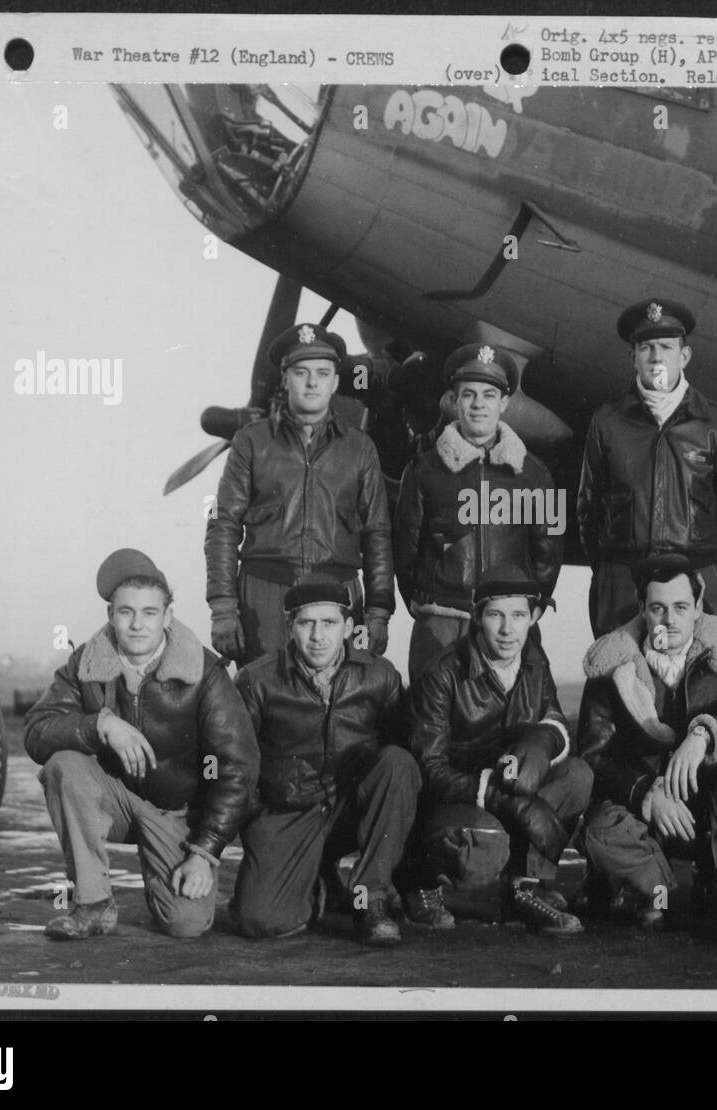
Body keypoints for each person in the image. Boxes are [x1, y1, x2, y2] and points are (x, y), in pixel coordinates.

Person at [24, 549, 258, 940]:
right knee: (63, 765)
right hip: (114, 798)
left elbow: (238, 767)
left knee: (187, 924)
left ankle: (161, 874)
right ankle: (93, 903)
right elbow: (36, 731)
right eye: (125, 612)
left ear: (167, 617)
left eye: (149, 613)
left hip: (175, 811)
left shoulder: (204, 670)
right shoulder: (86, 662)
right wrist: (99, 724)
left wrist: (204, 852)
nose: (137, 625)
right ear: (110, 617)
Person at [579, 555, 717, 942]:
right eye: (658, 608)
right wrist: (646, 791)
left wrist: (707, 733)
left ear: (699, 607)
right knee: (600, 829)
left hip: (708, 807)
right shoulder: (612, 660)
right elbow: (593, 754)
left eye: (681, 607)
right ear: (642, 610)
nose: (669, 620)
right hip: (648, 809)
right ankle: (658, 890)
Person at [230, 573, 420, 946]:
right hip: (290, 811)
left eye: (329, 623)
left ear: (348, 626)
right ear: (289, 627)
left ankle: (371, 900)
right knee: (261, 921)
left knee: (398, 763)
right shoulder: (256, 681)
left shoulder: (379, 675)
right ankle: (319, 884)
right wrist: (259, 832)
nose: (318, 636)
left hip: (350, 808)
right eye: (306, 623)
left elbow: (404, 765)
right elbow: (234, 764)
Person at [409, 566, 592, 935]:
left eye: (518, 615)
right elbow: (428, 768)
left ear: (534, 617)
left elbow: (553, 716)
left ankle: (523, 888)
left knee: (577, 775)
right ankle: (420, 885)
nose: (508, 630)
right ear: (477, 617)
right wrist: (501, 797)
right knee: (484, 851)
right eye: (495, 615)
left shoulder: (534, 658)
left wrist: (541, 743)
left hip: (509, 786)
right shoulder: (443, 672)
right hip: (457, 801)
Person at [205, 322, 395, 666]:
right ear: (285, 378)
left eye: (322, 373)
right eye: (301, 372)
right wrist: (222, 607)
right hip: (264, 596)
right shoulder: (251, 442)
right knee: (261, 698)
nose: (312, 382)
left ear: (336, 381)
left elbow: (377, 532)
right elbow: (222, 525)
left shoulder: (360, 448)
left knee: (339, 704)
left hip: (339, 595)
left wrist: (379, 610)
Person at [577, 298, 717, 636]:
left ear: (683, 356)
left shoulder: (715, 422)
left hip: (697, 577)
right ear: (633, 357)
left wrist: (699, 565)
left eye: (666, 347)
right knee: (620, 678)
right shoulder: (607, 422)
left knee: (704, 682)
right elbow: (588, 510)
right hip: (624, 582)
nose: (656, 357)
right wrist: (614, 569)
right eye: (646, 348)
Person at [394, 343, 564, 681]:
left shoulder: (537, 473)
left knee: (516, 720)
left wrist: (536, 603)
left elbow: (551, 544)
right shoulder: (421, 471)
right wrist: (427, 603)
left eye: (488, 395)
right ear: (454, 401)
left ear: (504, 403)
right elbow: (406, 547)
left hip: (508, 620)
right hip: (442, 620)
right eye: (468, 394)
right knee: (434, 721)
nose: (478, 404)